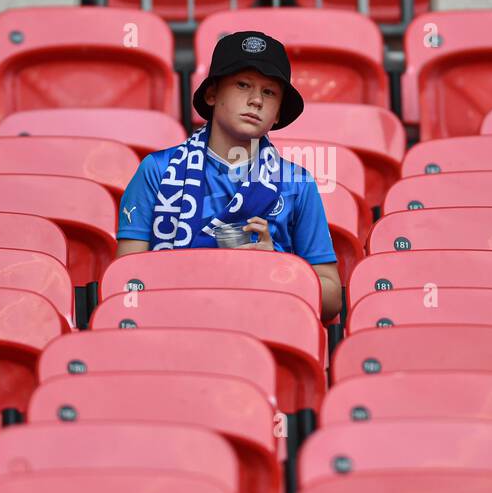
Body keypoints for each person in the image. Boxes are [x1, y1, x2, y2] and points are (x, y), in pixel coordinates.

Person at [114, 30, 343, 323]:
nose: (256, 100)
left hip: (268, 330)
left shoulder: (297, 182)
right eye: (242, 84)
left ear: (277, 114)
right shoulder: (157, 169)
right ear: (212, 94)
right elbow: (126, 284)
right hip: (172, 331)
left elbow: (332, 297)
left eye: (269, 92)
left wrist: (276, 269)